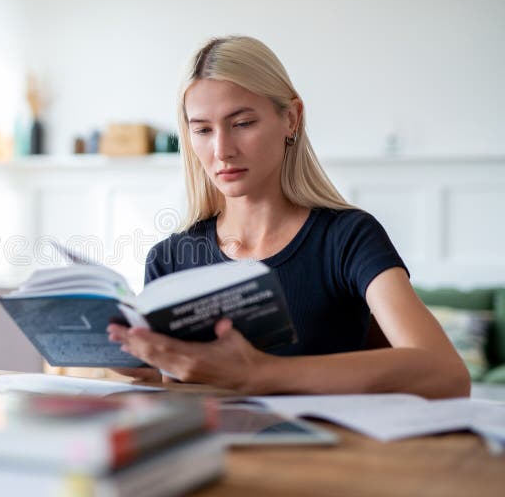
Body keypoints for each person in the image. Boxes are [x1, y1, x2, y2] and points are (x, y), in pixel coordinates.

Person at [107, 35, 469, 399]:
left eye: (243, 122)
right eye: (202, 130)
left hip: (329, 454)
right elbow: (180, 398)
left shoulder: (348, 238)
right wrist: (150, 371)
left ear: (291, 118)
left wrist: (259, 374)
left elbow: (447, 374)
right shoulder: (169, 259)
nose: (222, 150)